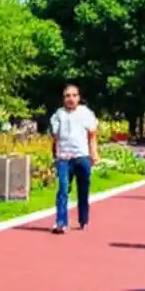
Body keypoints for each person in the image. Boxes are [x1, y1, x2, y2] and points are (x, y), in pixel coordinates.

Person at [49, 84, 100, 233]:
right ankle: (61, 222)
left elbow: (92, 135)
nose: (70, 98)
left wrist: (94, 153)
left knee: (83, 190)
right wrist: (55, 155)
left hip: (81, 157)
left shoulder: (85, 113)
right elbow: (54, 136)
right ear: (63, 99)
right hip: (64, 158)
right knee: (63, 189)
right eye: (67, 96)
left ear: (78, 97)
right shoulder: (58, 114)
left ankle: (83, 219)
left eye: (73, 95)